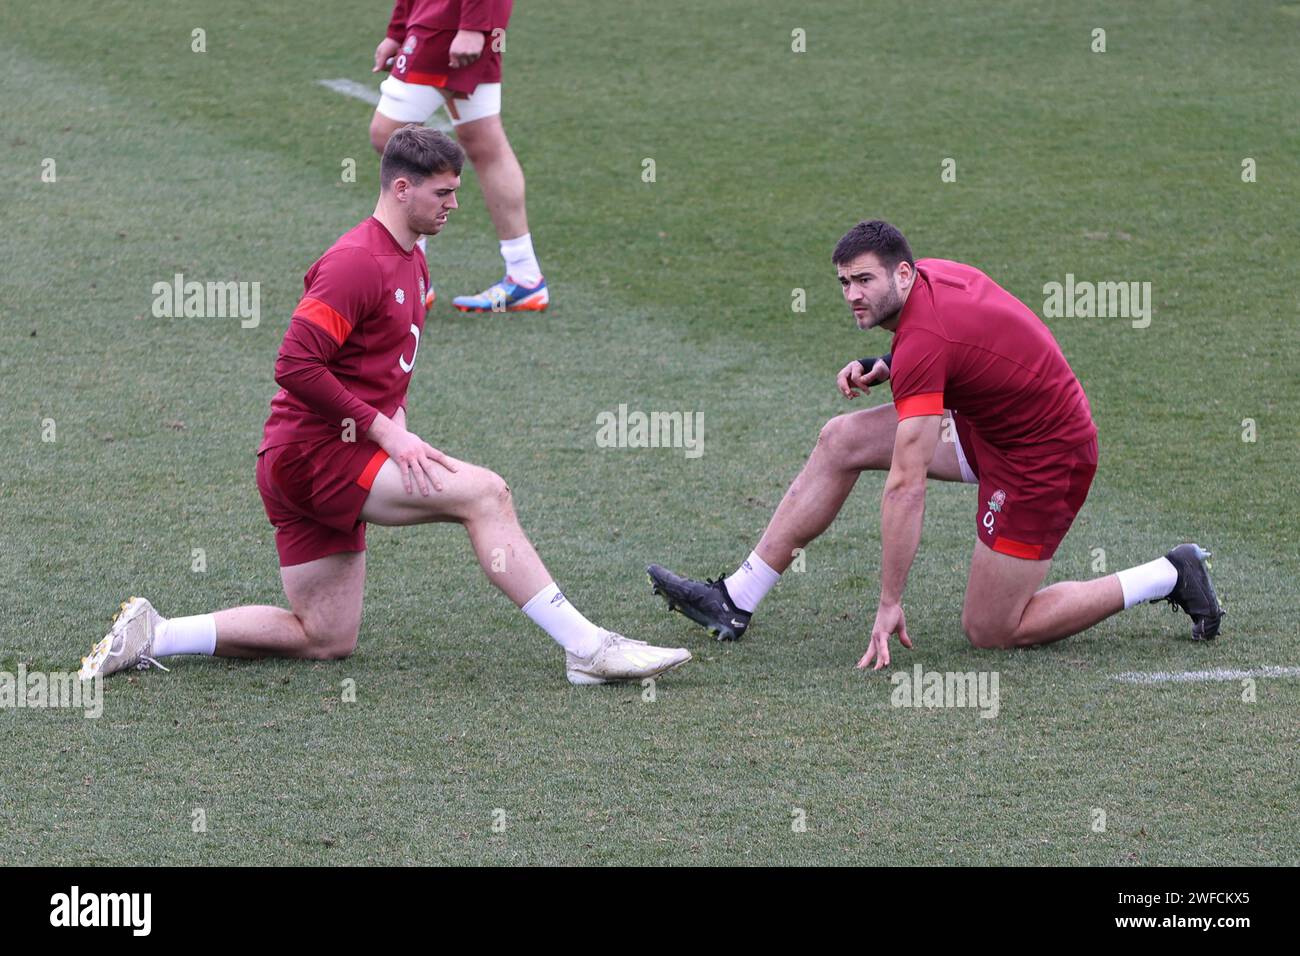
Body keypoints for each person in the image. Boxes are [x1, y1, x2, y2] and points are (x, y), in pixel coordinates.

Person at [80, 128, 689, 686]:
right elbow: (295, 365)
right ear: (402, 188)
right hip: (314, 456)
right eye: (443, 193)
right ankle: (588, 649)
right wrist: (387, 436)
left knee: (324, 637)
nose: (454, 204)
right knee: (487, 494)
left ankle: (155, 633)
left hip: (317, 457)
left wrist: (394, 429)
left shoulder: (412, 259)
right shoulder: (356, 263)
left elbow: (376, 373)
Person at [647, 220, 1223, 670]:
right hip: (987, 426)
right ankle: (736, 599)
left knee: (993, 630)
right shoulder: (929, 281)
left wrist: (889, 601)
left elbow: (906, 485)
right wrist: (885, 364)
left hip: (1044, 457)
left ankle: (1171, 574)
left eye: (863, 280)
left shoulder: (926, 336)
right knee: (841, 439)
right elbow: (953, 352)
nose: (852, 294)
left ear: (901, 275)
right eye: (844, 282)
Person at [369, 0, 548, 313]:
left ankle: (413, 278)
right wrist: (398, 30)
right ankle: (525, 275)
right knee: (482, 139)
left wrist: (472, 27)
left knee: (390, 134)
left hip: (449, 21)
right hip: (439, 17)